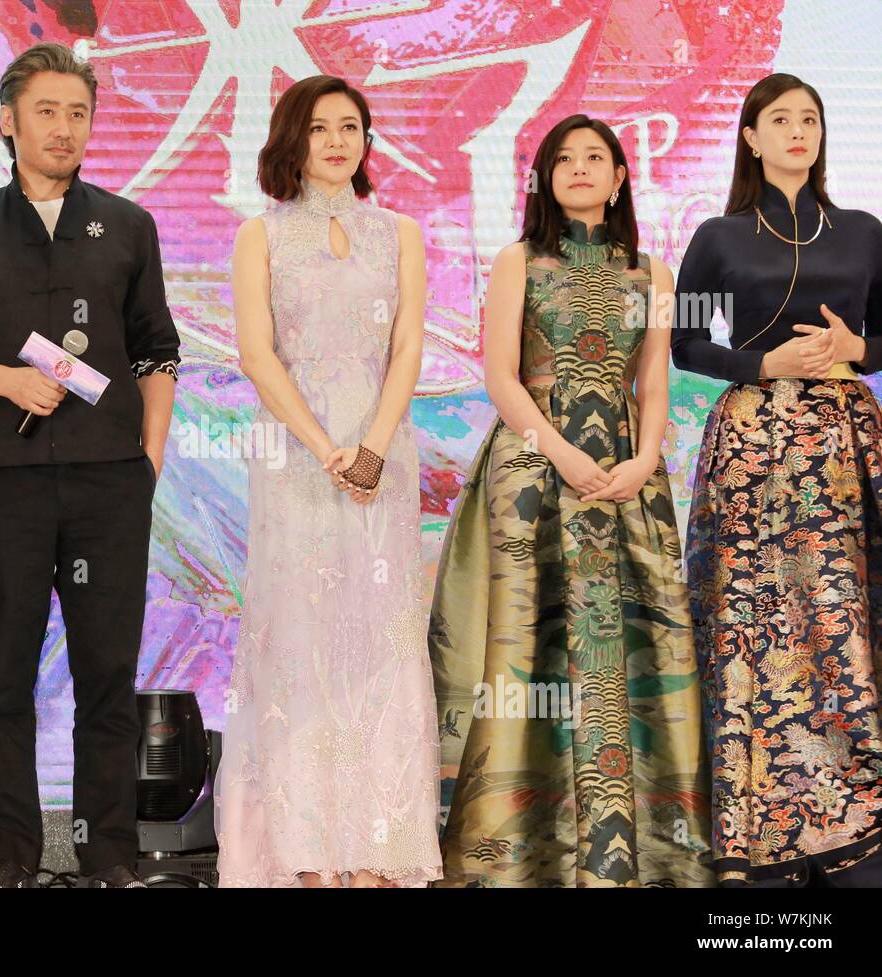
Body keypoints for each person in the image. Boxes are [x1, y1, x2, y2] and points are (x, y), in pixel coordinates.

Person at [0, 42, 179, 889]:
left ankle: (111, 860)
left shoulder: (128, 225)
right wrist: (3, 378)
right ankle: (10, 863)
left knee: (108, 681)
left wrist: (148, 461)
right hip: (4, 480)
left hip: (110, 482)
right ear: (9, 120)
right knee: (5, 676)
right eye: (46, 111)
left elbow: (157, 354)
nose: (63, 128)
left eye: (79, 112)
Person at [428, 115, 712, 887]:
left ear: (621, 177)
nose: (581, 169)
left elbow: (653, 382)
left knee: (632, 658)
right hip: (532, 474)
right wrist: (560, 452)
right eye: (565, 159)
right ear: (544, 178)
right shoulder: (519, 259)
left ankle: (644, 856)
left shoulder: (652, 273)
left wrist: (645, 456)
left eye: (597, 158)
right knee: (529, 655)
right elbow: (500, 376)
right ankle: (518, 859)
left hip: (627, 479)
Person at [213, 75, 442, 888]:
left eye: (352, 127)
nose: (338, 142)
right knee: (302, 645)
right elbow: (255, 354)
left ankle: (381, 848)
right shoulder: (260, 236)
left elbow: (409, 343)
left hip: (383, 455)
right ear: (291, 141)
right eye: (320, 129)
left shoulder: (401, 234)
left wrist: (373, 445)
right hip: (296, 461)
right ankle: (306, 855)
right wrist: (325, 448)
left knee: (380, 644)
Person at [673, 73, 882, 887]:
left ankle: (858, 810)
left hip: (842, 444)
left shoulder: (864, 232)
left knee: (842, 618)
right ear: (751, 138)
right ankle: (763, 822)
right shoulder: (719, 236)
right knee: (758, 625)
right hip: (754, 447)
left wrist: (855, 351)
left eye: (810, 119)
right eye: (780, 120)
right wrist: (761, 362)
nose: (799, 131)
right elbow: (686, 346)